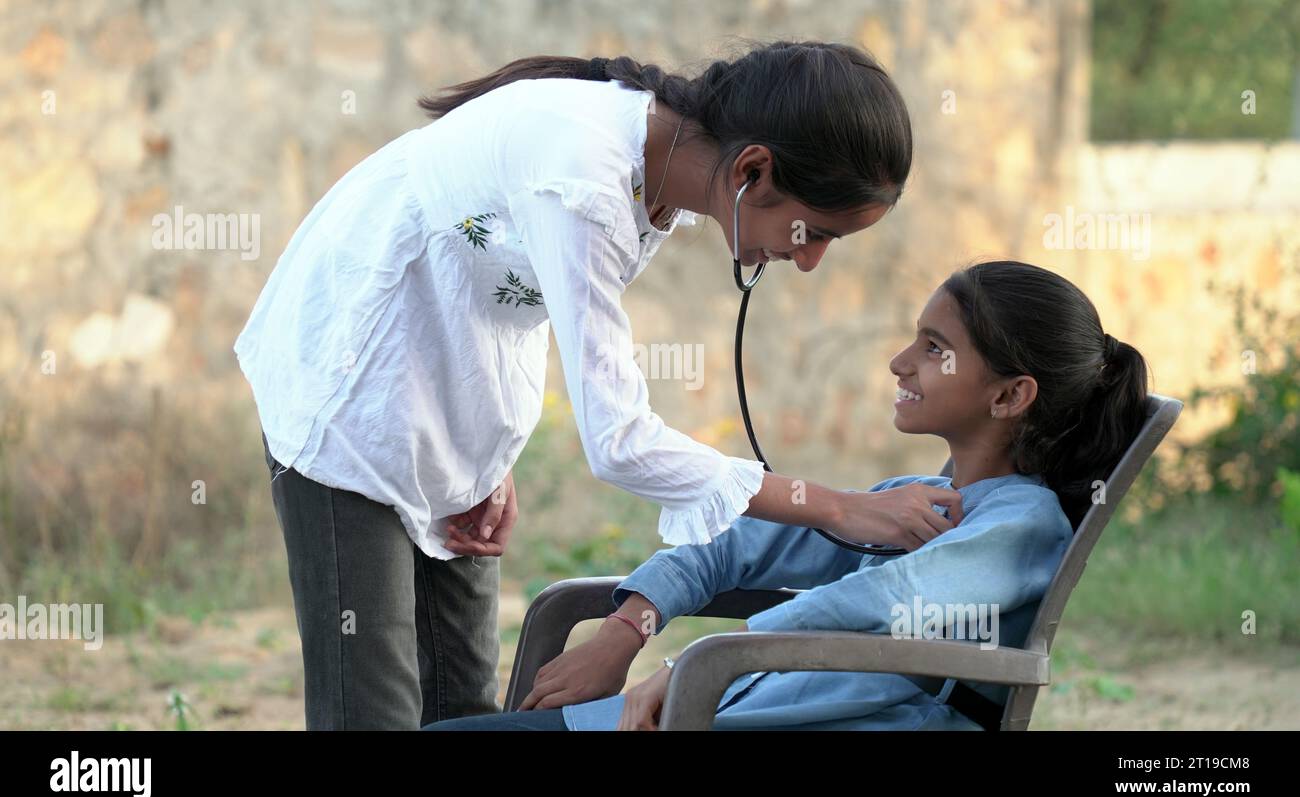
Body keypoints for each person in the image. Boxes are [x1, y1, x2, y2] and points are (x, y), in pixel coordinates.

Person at [235, 40, 946, 730]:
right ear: (752, 172)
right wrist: (839, 508)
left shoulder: (653, 168)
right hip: (350, 377)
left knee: (464, 705)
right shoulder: (584, 174)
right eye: (812, 230)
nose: (811, 259)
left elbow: (516, 291)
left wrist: (484, 442)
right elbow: (619, 443)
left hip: (442, 396)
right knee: (375, 710)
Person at [422, 260, 1152, 730]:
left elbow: (882, 602)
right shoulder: (916, 501)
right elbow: (735, 542)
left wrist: (686, 670)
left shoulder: (1022, 525)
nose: (901, 362)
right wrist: (628, 629)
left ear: (1010, 394)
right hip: (716, 708)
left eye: (934, 347)